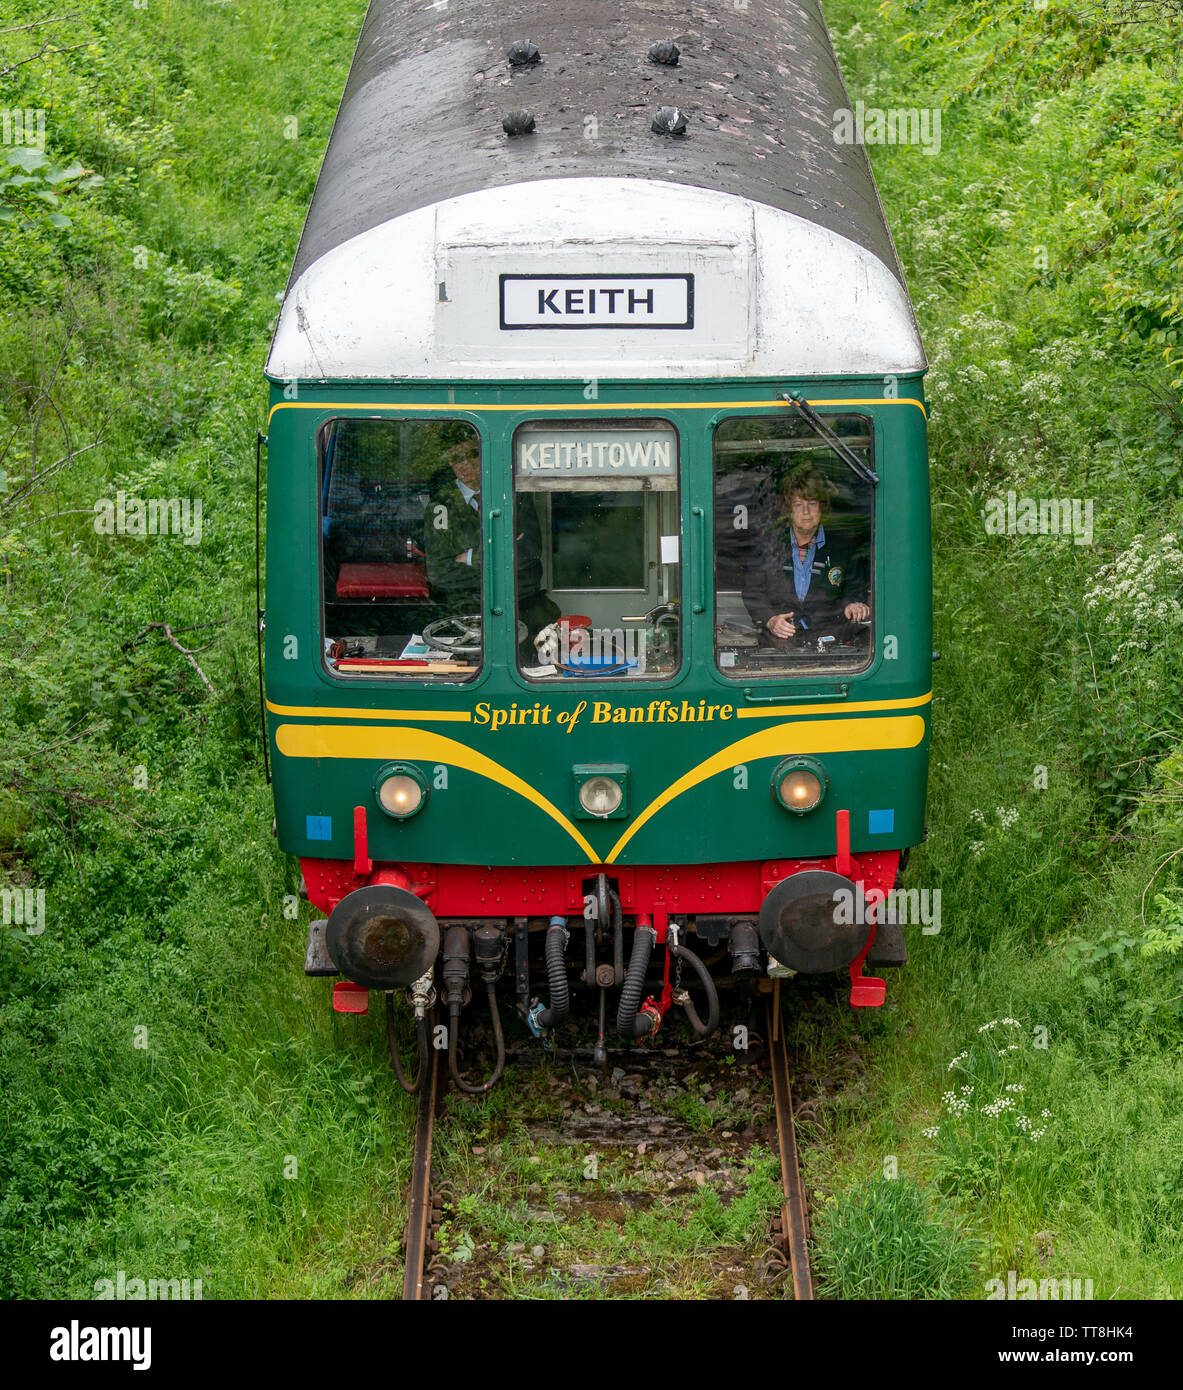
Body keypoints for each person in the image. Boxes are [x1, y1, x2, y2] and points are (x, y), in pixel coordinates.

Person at [422, 441, 559, 639]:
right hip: (461, 612)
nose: (465, 464)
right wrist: (503, 555)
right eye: (457, 459)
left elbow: (529, 554)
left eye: (472, 454)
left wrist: (469, 557)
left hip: (519, 605)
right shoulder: (441, 505)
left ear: (486, 455)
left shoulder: (514, 495)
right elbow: (439, 573)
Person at [742, 464, 869, 645]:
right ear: (788, 509)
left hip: (833, 641)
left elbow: (855, 586)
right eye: (798, 504)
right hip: (779, 643)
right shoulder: (768, 545)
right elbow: (752, 592)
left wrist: (853, 604)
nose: (806, 512)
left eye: (812, 504)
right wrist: (770, 620)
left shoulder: (844, 546)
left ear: (822, 507)